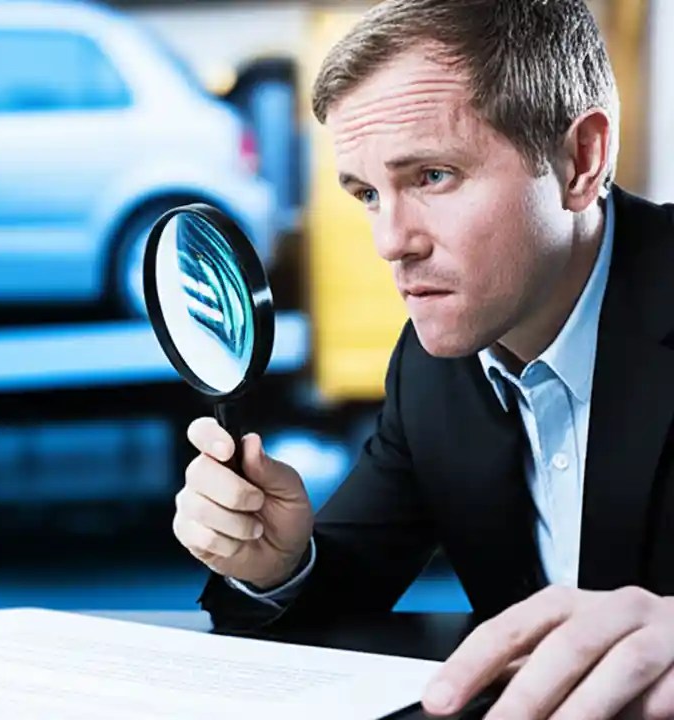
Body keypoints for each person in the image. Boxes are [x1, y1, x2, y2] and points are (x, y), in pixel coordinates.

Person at [173, 0, 674, 717]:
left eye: (433, 176)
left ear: (580, 161)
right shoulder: (436, 367)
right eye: (369, 194)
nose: (391, 242)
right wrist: (276, 567)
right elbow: (340, 595)